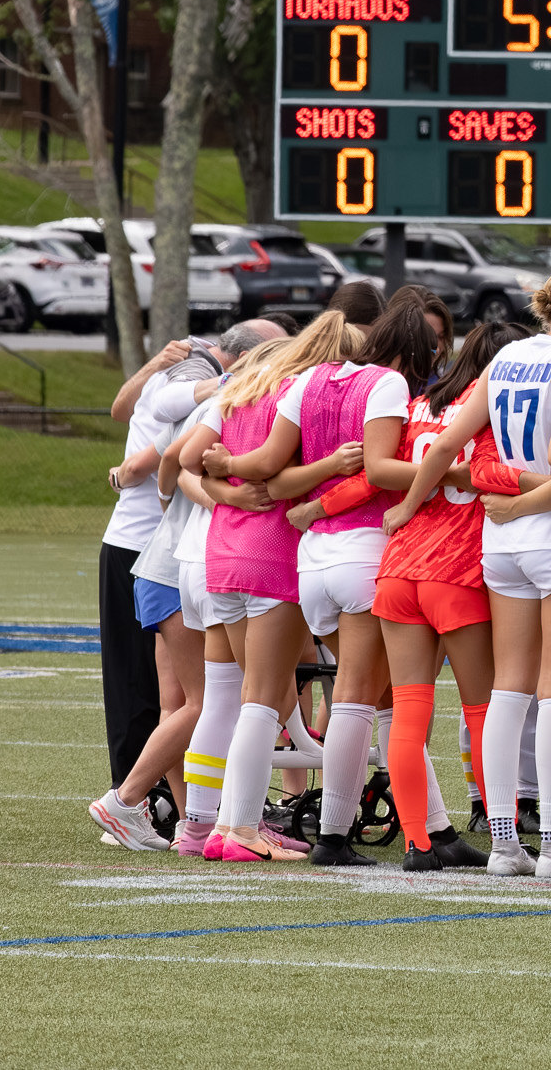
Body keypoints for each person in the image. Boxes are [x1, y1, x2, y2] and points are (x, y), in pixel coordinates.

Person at [383, 263, 551, 879]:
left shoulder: (503, 361)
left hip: (499, 543)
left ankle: (507, 843)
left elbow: (438, 447)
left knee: (508, 690)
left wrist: (407, 507)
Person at [200, 296, 442, 865]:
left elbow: (263, 473)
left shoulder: (295, 386)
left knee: (369, 697)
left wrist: (229, 473)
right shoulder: (389, 391)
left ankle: (433, 828)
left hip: (303, 560)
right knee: (352, 698)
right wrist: (455, 468)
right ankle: (314, 831)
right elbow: (377, 473)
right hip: (352, 554)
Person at [333, 321, 529, 870]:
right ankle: (505, 842)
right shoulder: (489, 406)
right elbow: (498, 475)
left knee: (408, 712)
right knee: (485, 711)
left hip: (398, 568)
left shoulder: (421, 402)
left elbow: (384, 471)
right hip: (456, 569)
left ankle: (419, 843)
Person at [88, 321, 284, 851]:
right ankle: (128, 800)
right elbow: (166, 453)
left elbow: (169, 461)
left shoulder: (228, 402)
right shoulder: (218, 395)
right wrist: (222, 497)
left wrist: (183, 496)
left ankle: (191, 820)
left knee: (186, 703)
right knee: (208, 701)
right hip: (177, 568)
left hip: (167, 566)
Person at [184, 313, 367, 861]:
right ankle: (238, 828)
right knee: (260, 701)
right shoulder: (299, 396)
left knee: (244, 697)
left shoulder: (237, 392)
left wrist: (226, 489)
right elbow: (276, 473)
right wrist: (328, 465)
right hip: (273, 553)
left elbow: (188, 459)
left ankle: (216, 825)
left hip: (222, 553)